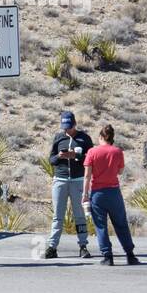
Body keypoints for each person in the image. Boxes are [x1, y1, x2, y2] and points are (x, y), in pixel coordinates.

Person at [83, 124, 139, 266]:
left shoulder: (92, 152)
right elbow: (120, 172)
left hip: (98, 193)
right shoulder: (117, 151)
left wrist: (85, 194)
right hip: (114, 192)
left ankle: (108, 256)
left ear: (101, 137)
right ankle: (130, 254)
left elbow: (87, 176)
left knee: (100, 225)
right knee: (121, 223)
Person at [45, 110, 94, 259]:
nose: (67, 129)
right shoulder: (58, 138)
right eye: (64, 127)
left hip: (78, 180)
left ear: (74, 124)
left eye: (69, 126)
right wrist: (59, 157)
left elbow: (91, 159)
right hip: (60, 180)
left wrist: (77, 155)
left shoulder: (84, 139)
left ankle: (83, 246)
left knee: (80, 215)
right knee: (57, 215)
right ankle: (52, 247)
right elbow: (51, 160)